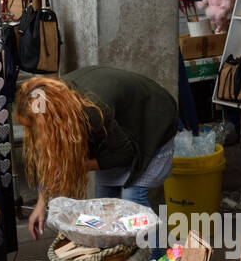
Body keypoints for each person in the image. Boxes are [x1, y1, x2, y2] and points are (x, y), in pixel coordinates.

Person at [18, 67, 177, 240]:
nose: (37, 133)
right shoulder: (53, 102)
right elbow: (50, 159)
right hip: (117, 131)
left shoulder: (92, 109)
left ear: (54, 119)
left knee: (132, 201)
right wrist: (41, 204)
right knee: (103, 208)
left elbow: (125, 153)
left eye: (38, 127)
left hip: (153, 120)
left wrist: (81, 166)